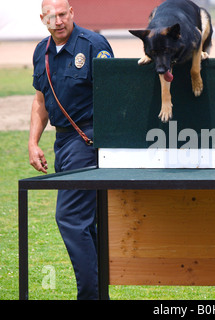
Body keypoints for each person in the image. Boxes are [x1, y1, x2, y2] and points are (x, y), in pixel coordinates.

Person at [29, 0, 113, 299]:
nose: (59, 20)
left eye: (63, 14)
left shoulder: (93, 44)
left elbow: (112, 94)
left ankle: (89, 295)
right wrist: (32, 142)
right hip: (62, 141)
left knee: (70, 218)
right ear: (43, 19)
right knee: (85, 223)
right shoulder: (42, 51)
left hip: (88, 139)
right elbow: (40, 102)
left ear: (72, 13)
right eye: (52, 16)